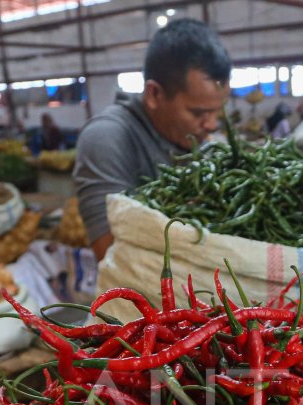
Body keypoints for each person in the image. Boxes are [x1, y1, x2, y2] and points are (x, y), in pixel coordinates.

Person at [73, 19, 230, 261]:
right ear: (154, 94)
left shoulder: (206, 145)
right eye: (198, 113)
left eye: (217, 110)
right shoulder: (108, 137)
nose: (211, 124)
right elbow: (113, 253)